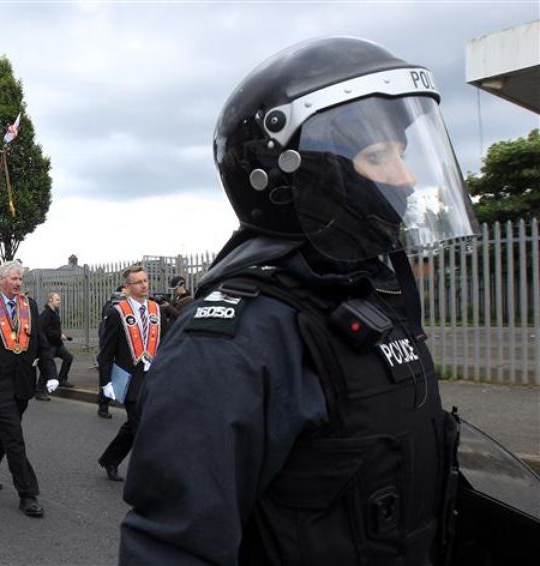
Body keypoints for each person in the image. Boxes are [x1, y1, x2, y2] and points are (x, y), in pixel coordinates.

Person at [119, 37, 481, 565]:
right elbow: (171, 549)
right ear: (292, 174)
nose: (407, 178)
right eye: (379, 156)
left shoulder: (371, 302)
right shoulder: (231, 343)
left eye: (404, 155)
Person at [0, 260, 54, 518]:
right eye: (14, 279)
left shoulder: (30, 305)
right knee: (14, 437)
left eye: (20, 279)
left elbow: (41, 342)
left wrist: (50, 373)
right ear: (1, 280)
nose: (18, 283)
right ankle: (28, 494)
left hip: (23, 381)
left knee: (6, 431)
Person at [96, 265, 162, 482]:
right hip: (129, 380)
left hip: (152, 379)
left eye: (145, 280)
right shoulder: (117, 312)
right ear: (128, 287)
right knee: (143, 427)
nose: (144, 285)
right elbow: (106, 352)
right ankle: (150, 476)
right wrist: (105, 383)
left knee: (133, 426)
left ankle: (110, 458)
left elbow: (165, 343)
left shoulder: (155, 309)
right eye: (138, 282)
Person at [36, 292, 74, 400]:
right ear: (50, 300)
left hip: (57, 344)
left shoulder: (55, 312)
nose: (59, 301)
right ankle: (39, 391)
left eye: (59, 299)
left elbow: (55, 329)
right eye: (57, 299)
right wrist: (58, 335)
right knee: (46, 367)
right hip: (49, 346)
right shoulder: (45, 315)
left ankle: (61, 379)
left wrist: (61, 335)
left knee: (68, 358)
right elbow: (43, 331)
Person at [96, 284, 126, 419]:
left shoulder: (112, 309)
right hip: (110, 351)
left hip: (118, 350)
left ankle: (104, 404)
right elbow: (106, 334)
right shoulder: (111, 311)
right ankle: (103, 405)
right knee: (108, 377)